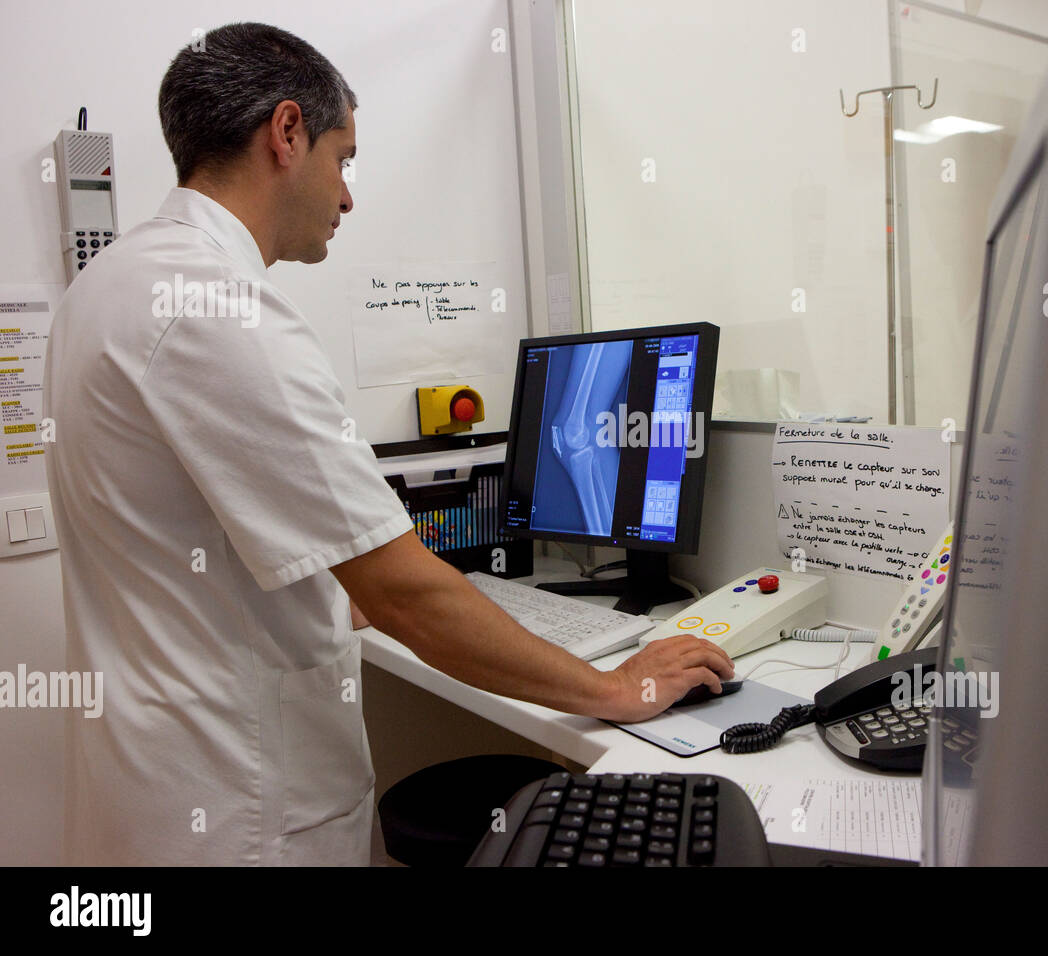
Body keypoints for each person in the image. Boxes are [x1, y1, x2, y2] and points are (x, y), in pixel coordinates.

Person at [43, 22, 732, 866]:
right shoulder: (217, 312)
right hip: (238, 814)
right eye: (344, 157)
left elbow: (199, 542)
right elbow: (409, 596)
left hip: (148, 790)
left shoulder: (105, 287)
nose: (347, 195)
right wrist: (618, 684)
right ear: (287, 133)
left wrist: (360, 590)